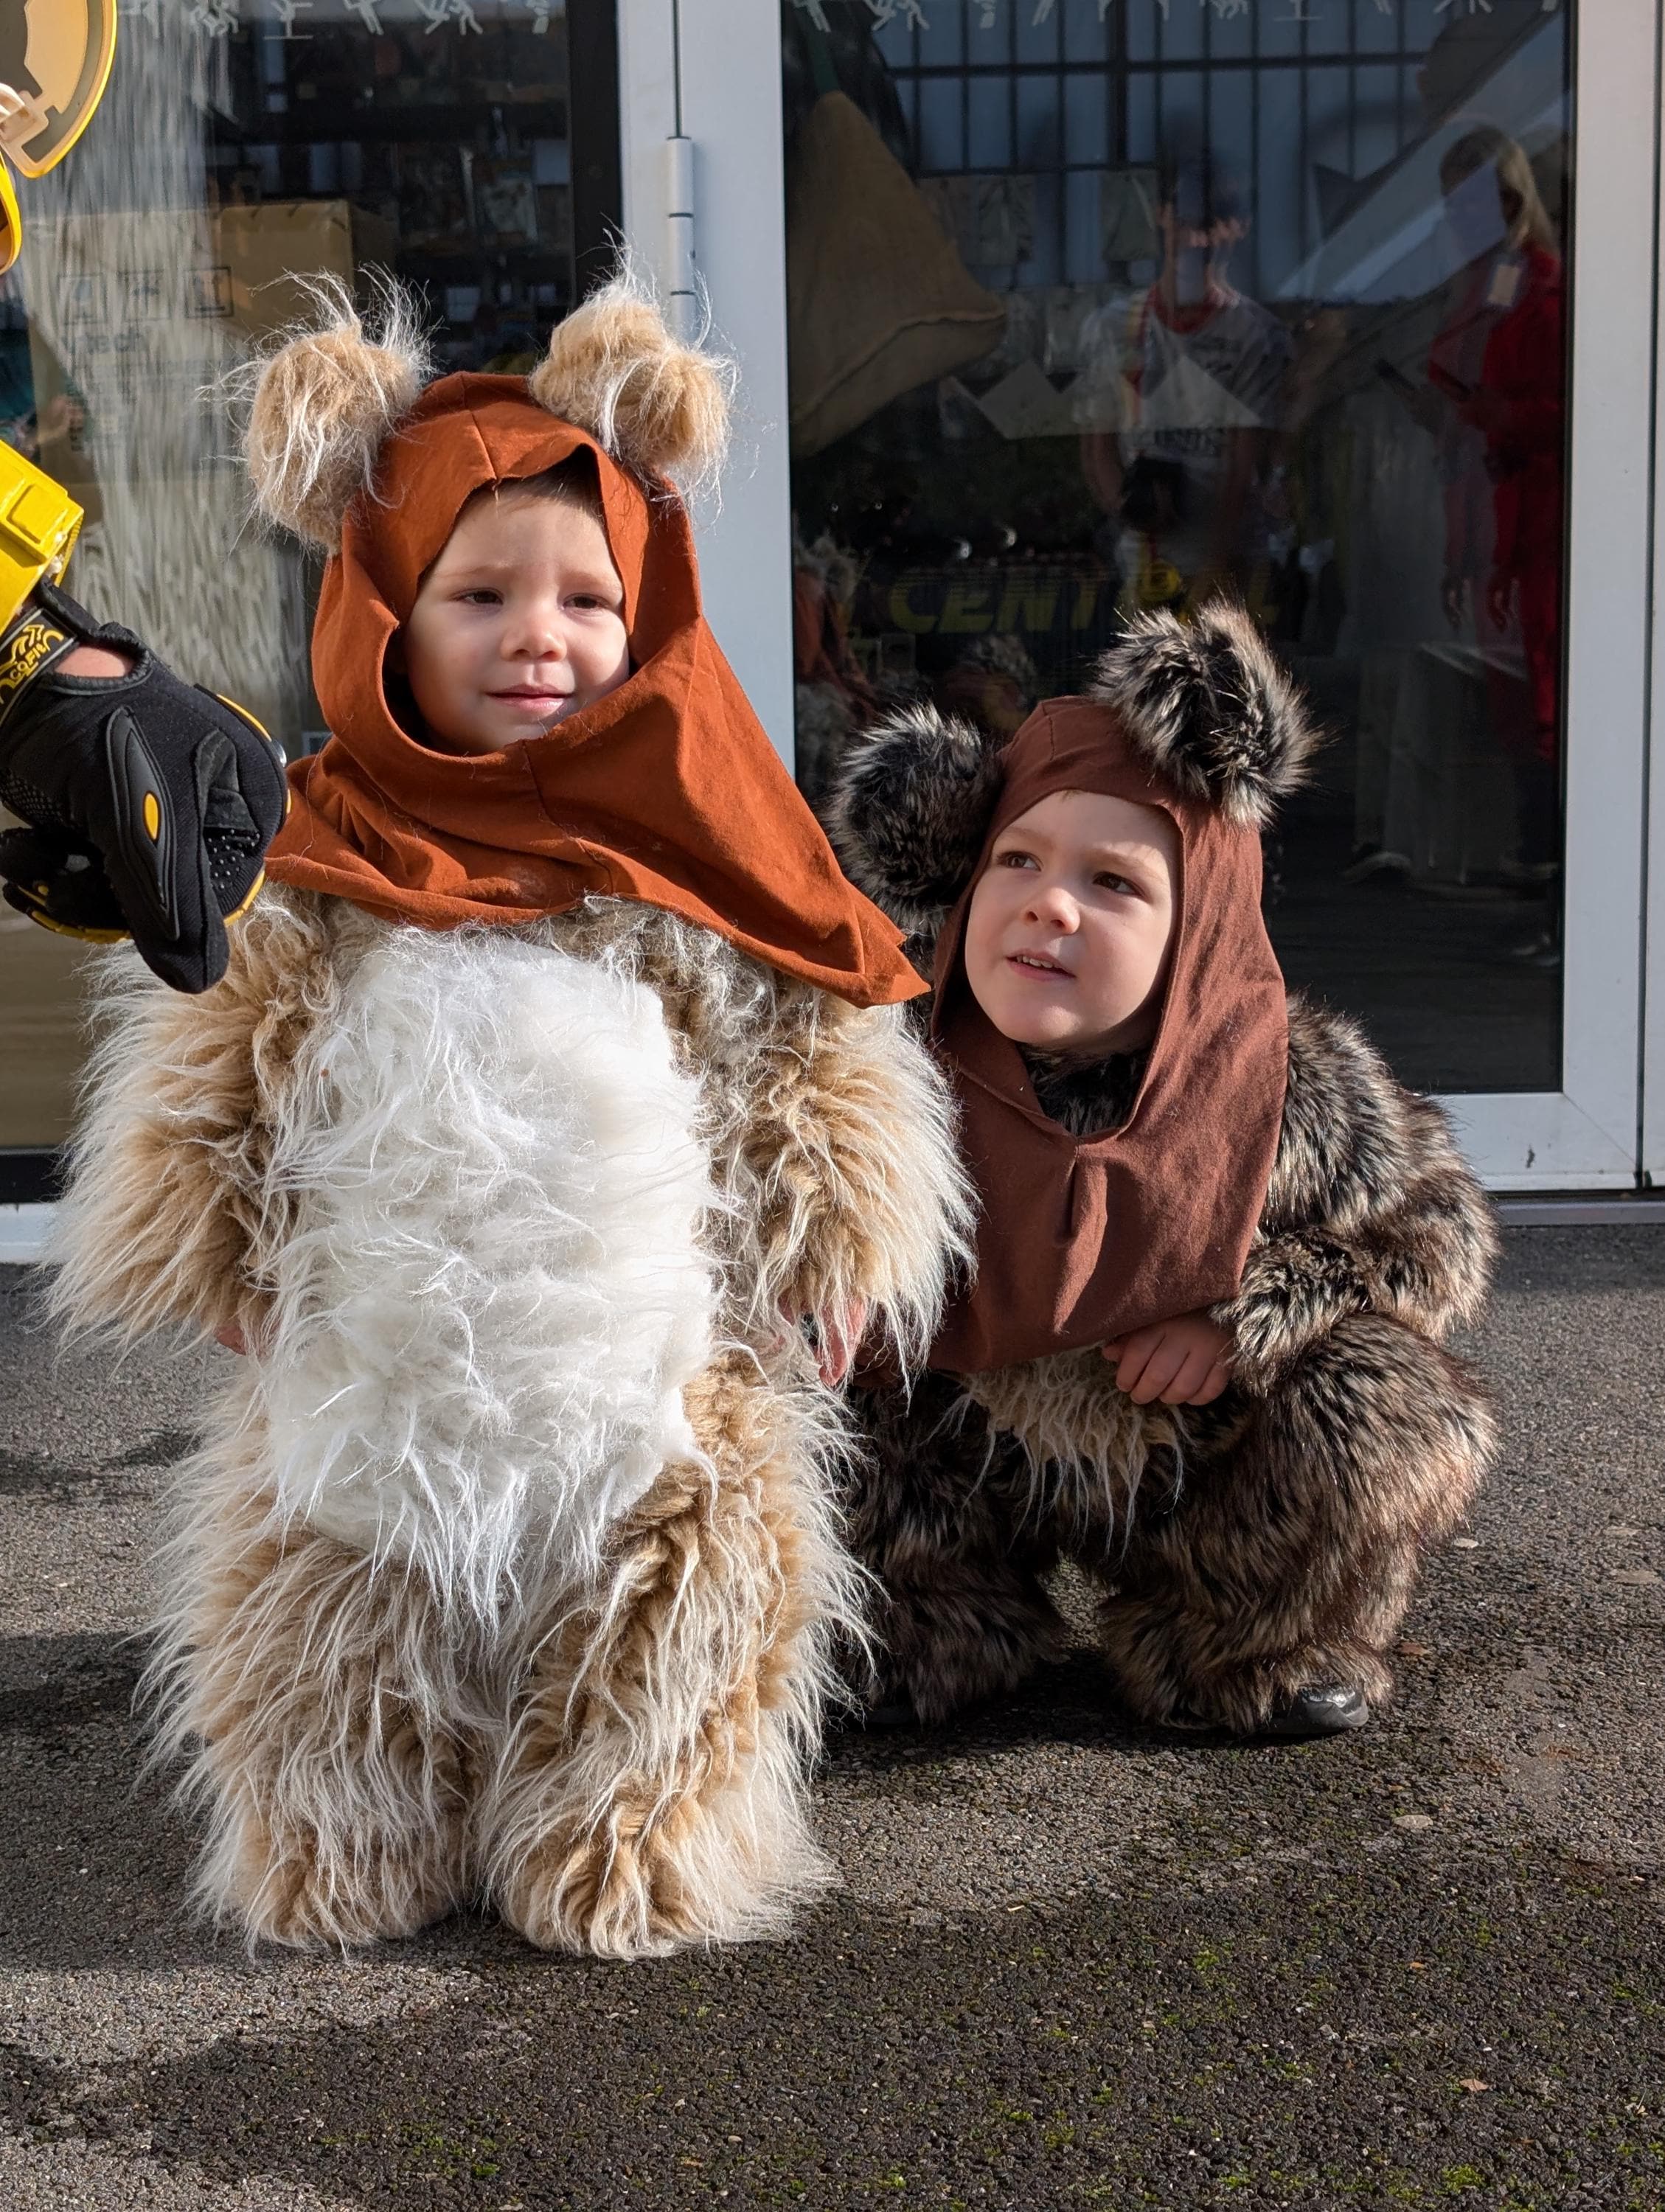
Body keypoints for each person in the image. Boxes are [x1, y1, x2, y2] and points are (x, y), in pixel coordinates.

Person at [49, 276, 969, 1958]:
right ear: (383, 610)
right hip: (372, 1373)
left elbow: (806, 1061)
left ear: (647, 614)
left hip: (647, 1386)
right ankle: (352, 1825)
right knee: (333, 1621)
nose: (538, 635)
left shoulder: (706, 857)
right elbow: (213, 1077)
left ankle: (627, 1832)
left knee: (675, 1616)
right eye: (479, 594)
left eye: (582, 598)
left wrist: (829, 1244)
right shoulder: (318, 868)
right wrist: (217, 1249)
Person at [830, 602, 1498, 1738]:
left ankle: (1241, 1646)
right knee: (800, 1368)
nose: (1051, 901)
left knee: (1384, 1398)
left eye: (1115, 883)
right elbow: (779, 1204)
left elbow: (1438, 1239)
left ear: (1200, 930)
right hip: (966, 1443)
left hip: (1183, 1466)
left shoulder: (1287, 1083)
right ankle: (925, 1632)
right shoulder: (892, 1061)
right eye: (1018, 861)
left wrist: (1240, 1315)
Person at [1077, 152, 1293, 619]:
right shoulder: (1114, 326)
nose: (1197, 238)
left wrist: (1216, 566)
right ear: (1163, 215)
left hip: (1231, 567)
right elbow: (1096, 451)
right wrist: (1133, 509)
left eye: (1214, 222)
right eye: (1187, 218)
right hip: (1147, 568)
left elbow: (1244, 467)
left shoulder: (1255, 334)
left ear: (1239, 228)